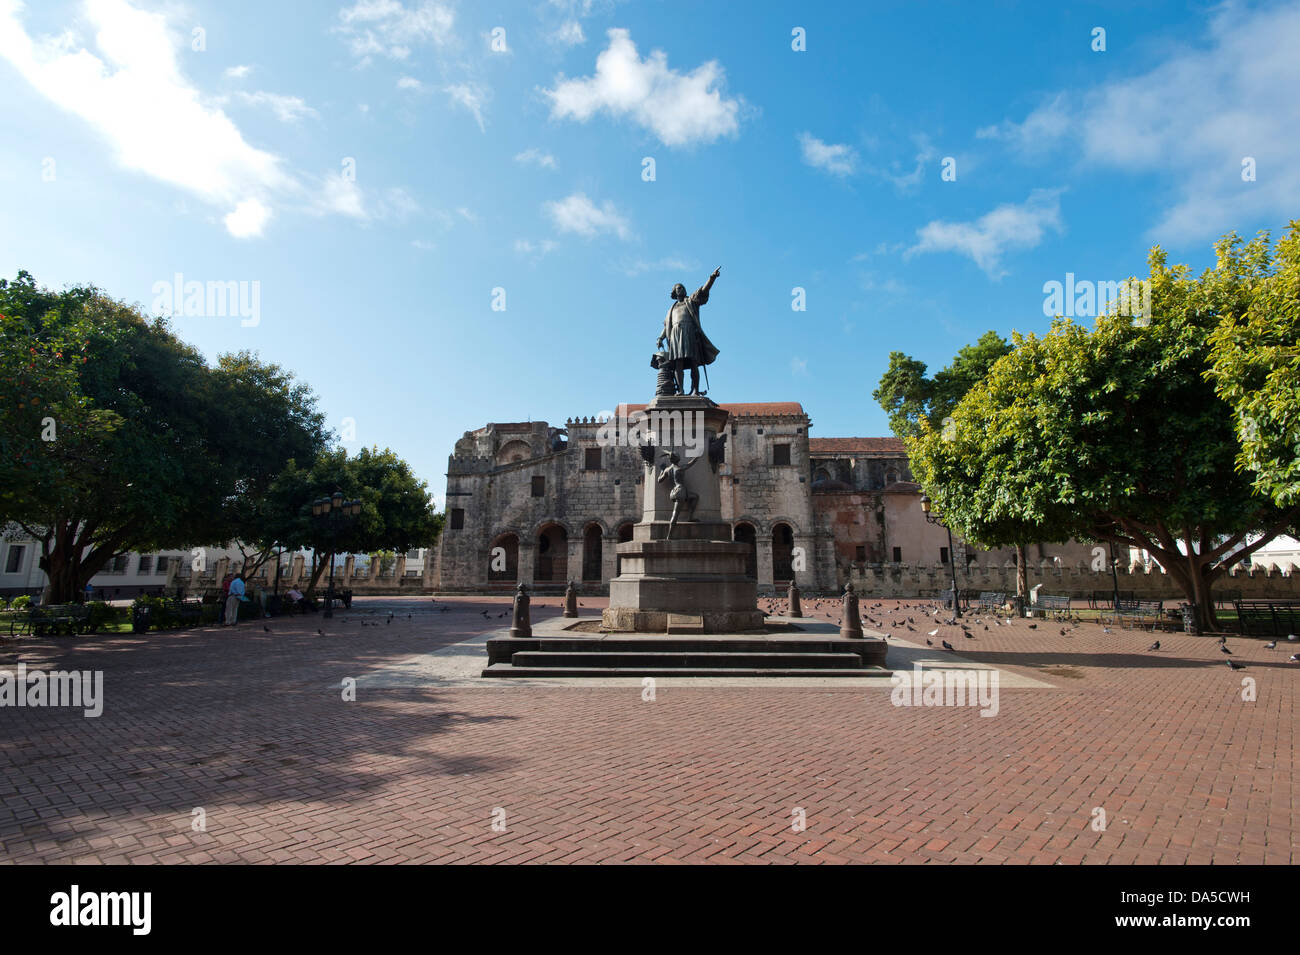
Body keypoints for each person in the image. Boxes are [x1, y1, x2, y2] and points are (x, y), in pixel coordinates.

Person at [657, 267, 721, 396]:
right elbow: (667, 325)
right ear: (674, 292)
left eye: (682, 287)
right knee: (678, 364)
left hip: (689, 333)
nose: (681, 289)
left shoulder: (690, 301)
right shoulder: (672, 308)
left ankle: (696, 391)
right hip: (675, 335)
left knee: (694, 363)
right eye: (678, 288)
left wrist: (711, 278)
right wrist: (660, 337)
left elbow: (703, 291)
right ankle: (681, 390)